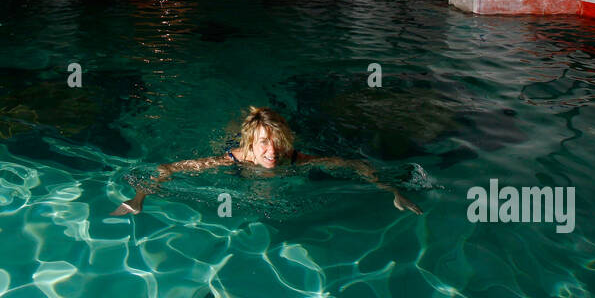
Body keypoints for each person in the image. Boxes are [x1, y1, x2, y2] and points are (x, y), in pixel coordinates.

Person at [110, 106, 423, 216]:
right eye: (263, 143)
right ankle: (247, 121)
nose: (271, 152)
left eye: (277, 143)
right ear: (252, 145)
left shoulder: (294, 158)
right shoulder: (233, 158)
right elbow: (168, 168)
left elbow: (353, 164)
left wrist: (392, 190)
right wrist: (139, 198)